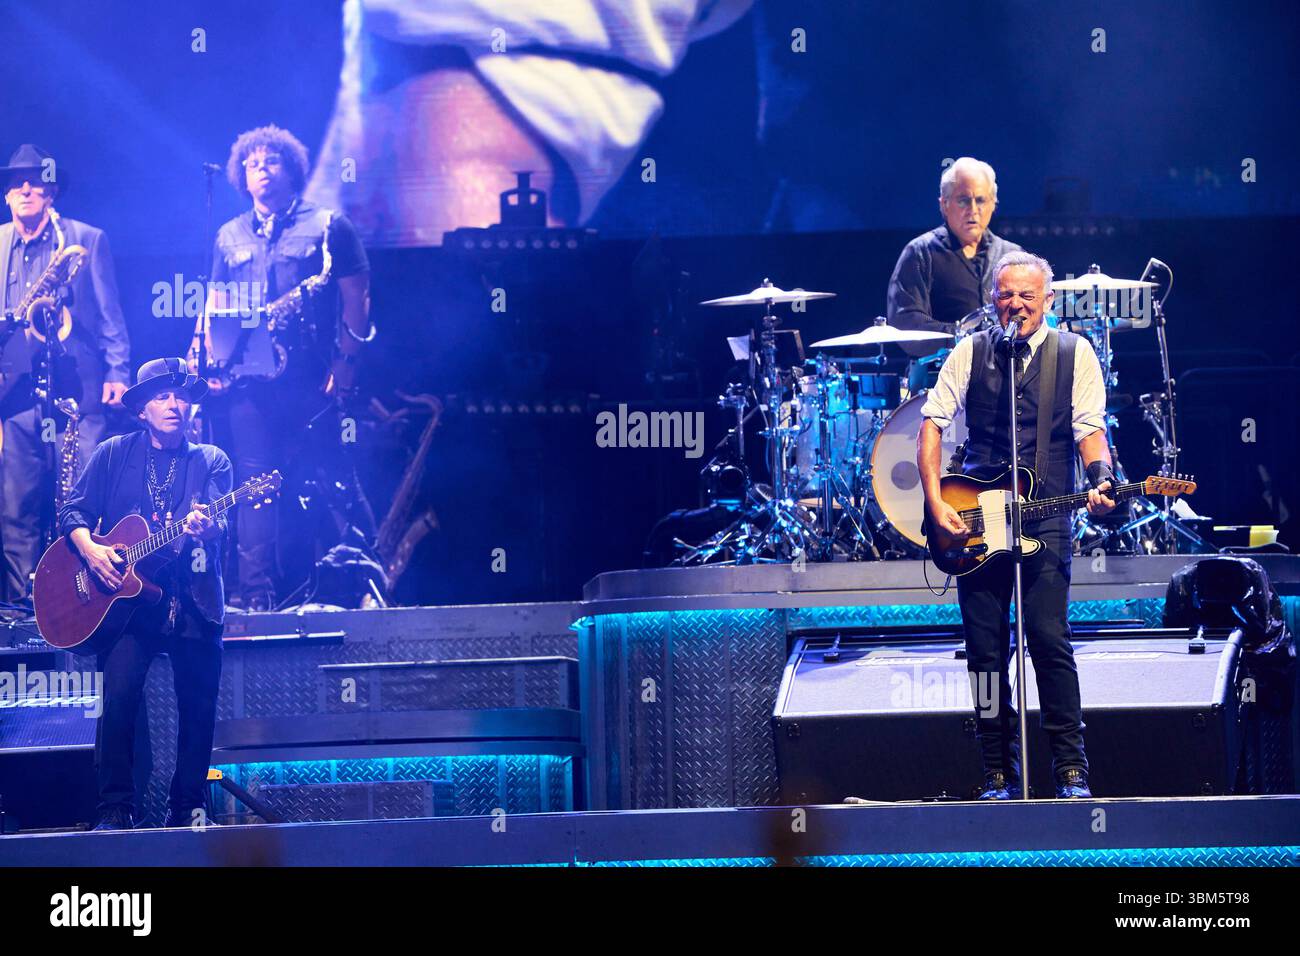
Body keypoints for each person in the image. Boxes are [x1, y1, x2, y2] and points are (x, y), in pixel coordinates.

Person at [917, 251, 1115, 799]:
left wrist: (1100, 474)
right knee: (984, 654)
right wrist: (936, 504)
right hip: (976, 518)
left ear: (1048, 300)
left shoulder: (1075, 354)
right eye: (1007, 295)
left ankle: (1071, 770)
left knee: (1049, 639)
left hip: (1044, 513)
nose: (1017, 305)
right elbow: (932, 423)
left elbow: (1090, 430)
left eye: (1028, 295)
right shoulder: (972, 351)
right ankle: (996, 771)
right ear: (992, 300)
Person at [192, 124, 374, 611]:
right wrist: (208, 358)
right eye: (252, 164)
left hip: (309, 379)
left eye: (270, 161)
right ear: (241, 176)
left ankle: (351, 579)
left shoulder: (328, 225)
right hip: (247, 383)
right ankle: (257, 597)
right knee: (254, 485)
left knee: (325, 477)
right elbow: (214, 304)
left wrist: (347, 360)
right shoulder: (228, 234)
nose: (261, 171)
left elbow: (357, 294)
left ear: (291, 168)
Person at [58, 358, 232, 830]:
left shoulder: (210, 460)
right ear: (141, 409)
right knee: (119, 698)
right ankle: (116, 807)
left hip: (193, 599)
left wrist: (207, 527)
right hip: (127, 605)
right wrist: (91, 552)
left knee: (197, 707)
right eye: (162, 397)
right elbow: (72, 512)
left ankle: (189, 807)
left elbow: (219, 529)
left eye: (181, 396)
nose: (174, 405)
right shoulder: (114, 454)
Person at [0, 144, 131, 602]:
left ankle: (84, 601)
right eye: (16, 182)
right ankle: (23, 608)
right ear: (7, 195)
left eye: (37, 181)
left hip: (79, 388)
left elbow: (111, 312)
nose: (26, 188)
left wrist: (119, 371)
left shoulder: (84, 238)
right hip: (16, 392)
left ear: (52, 192)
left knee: (81, 498)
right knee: (17, 504)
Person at [887, 157, 1022, 366]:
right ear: (944, 204)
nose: (973, 209)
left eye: (981, 200)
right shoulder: (920, 253)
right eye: (963, 200)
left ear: (993, 204)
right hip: (941, 376)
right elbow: (905, 321)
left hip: (1005, 374)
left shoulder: (1012, 256)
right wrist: (963, 336)